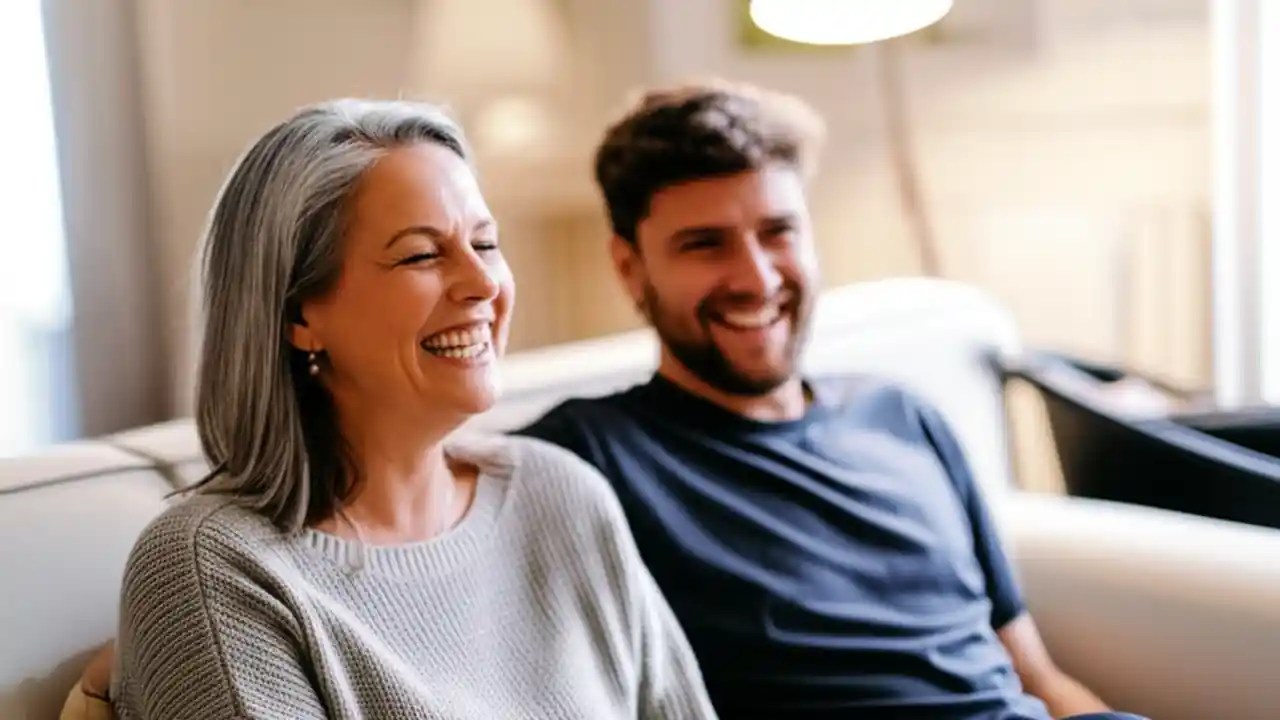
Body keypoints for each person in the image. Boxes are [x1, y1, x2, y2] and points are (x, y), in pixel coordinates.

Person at [517, 80, 1147, 720]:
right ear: (630, 269)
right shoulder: (586, 457)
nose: (757, 277)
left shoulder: (904, 415)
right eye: (705, 244)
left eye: (778, 232)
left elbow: (1036, 677)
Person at [83, 99, 717, 720]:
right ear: (299, 314)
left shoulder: (562, 495)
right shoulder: (213, 568)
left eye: (486, 243)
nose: (484, 283)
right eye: (421, 254)